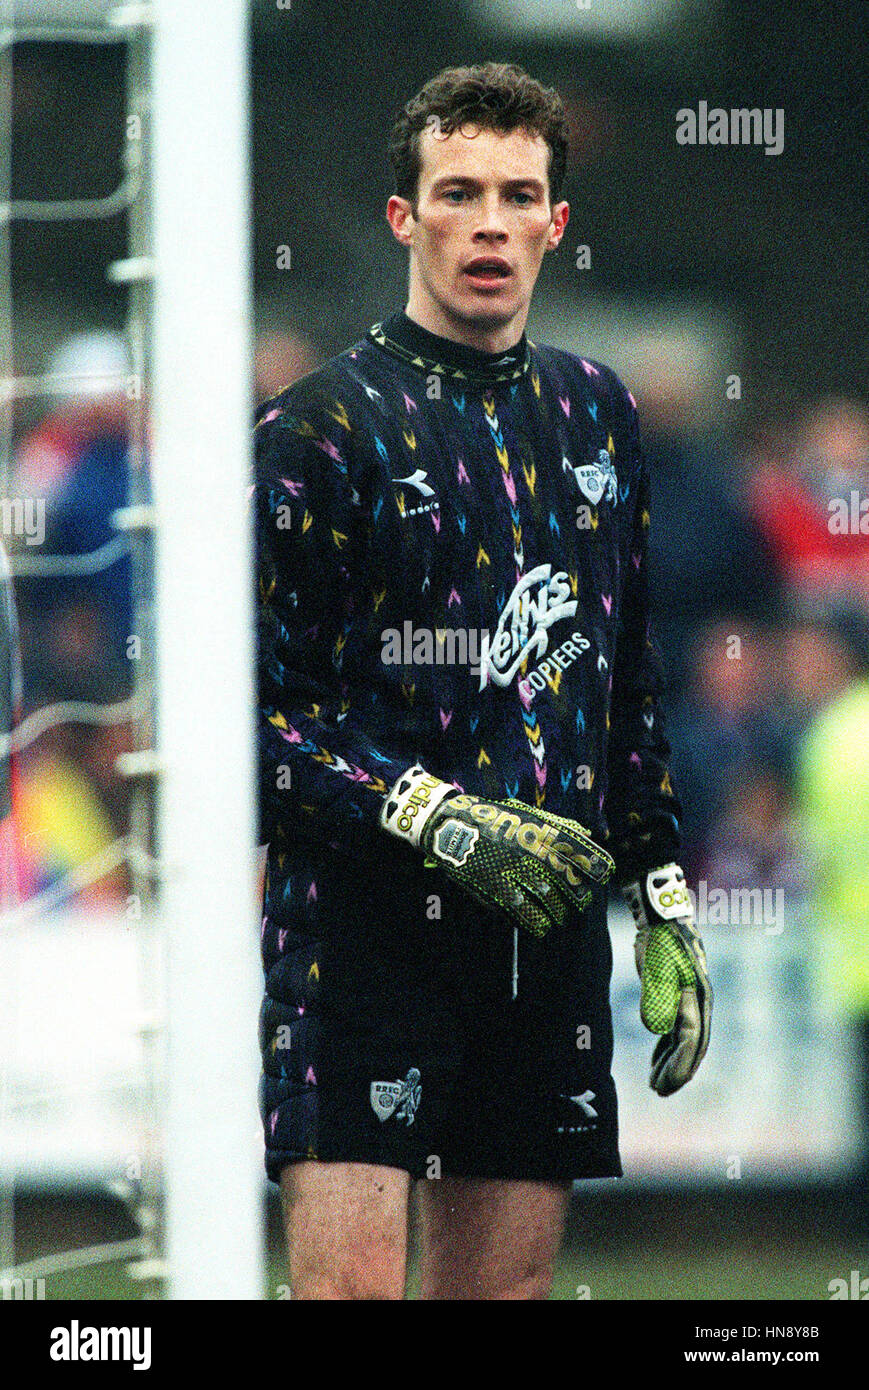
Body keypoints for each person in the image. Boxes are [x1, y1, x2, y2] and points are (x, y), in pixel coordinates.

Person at [253, 62, 712, 1300]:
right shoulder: (319, 429)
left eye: (519, 194)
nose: (490, 221)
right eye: (458, 192)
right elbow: (255, 724)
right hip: (358, 939)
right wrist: (432, 814)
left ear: (556, 222)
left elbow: (623, 679)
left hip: (541, 938)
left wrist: (659, 880)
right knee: (349, 1299)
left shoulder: (597, 413)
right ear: (405, 217)